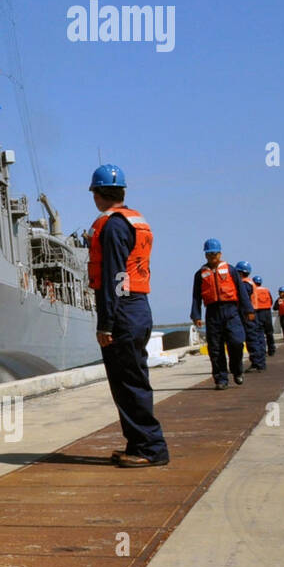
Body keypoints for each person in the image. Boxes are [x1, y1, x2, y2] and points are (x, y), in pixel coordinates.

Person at [86, 163, 168, 467]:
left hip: (122, 310)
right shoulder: (134, 221)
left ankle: (151, 448)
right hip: (137, 306)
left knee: (129, 382)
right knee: (131, 379)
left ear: (97, 194)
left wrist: (106, 323)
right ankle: (138, 444)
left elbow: (114, 277)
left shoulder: (113, 226)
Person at [191, 238, 253, 388]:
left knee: (237, 342)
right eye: (209, 254)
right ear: (205, 255)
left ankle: (237, 370)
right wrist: (196, 315)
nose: (212, 256)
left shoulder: (231, 270)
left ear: (220, 253)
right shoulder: (200, 274)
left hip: (231, 310)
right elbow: (196, 296)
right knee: (215, 348)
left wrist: (248, 310)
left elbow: (241, 291)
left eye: (214, 253)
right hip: (212, 313)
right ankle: (221, 379)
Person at [235, 262, 266, 371]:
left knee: (251, 338)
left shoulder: (244, 284)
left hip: (248, 314)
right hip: (254, 313)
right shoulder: (250, 283)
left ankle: (257, 363)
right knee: (257, 337)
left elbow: (242, 299)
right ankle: (260, 362)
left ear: (240, 272)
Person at [251, 275, 276, 357]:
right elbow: (271, 301)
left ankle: (262, 350)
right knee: (269, 332)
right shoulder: (266, 290)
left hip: (258, 312)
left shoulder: (253, 290)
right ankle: (272, 349)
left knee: (260, 332)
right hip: (267, 312)